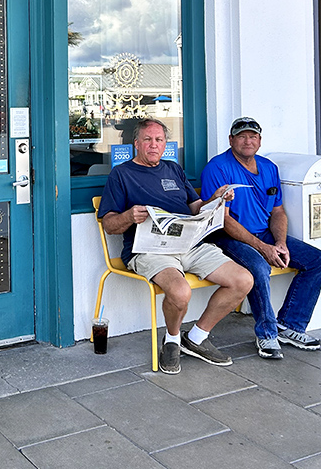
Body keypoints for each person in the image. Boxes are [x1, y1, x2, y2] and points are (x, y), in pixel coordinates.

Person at [98, 118, 253, 374]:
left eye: (159, 140)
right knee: (180, 293)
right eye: (147, 140)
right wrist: (128, 217)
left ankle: (197, 338)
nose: (153, 145)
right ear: (136, 144)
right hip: (150, 250)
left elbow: (193, 208)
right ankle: (171, 340)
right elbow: (109, 224)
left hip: (188, 244)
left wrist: (214, 200)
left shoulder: (173, 169)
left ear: (165, 144)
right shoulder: (122, 174)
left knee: (243, 280)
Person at [201, 117, 321, 360]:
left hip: (266, 234)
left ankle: (289, 327)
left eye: (252, 136)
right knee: (259, 267)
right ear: (231, 140)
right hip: (229, 236)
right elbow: (223, 220)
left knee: (317, 260)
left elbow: (278, 211)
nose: (247, 141)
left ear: (259, 141)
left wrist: (279, 242)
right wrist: (263, 247)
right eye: (241, 136)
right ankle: (267, 334)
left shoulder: (269, 168)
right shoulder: (217, 168)